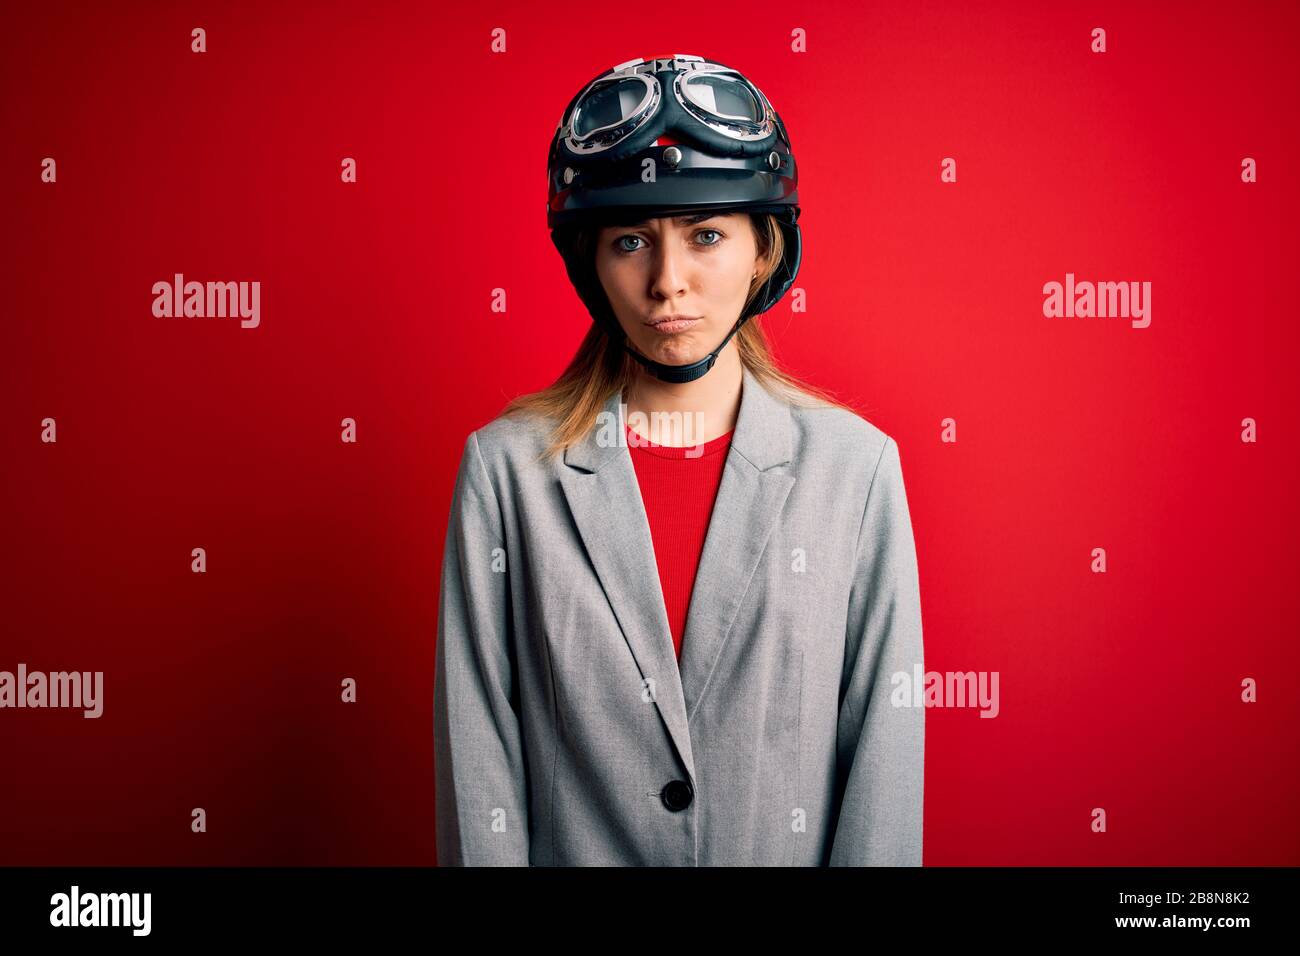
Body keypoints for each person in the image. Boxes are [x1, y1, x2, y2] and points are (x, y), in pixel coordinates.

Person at [434, 53, 924, 866]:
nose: (668, 283)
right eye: (631, 240)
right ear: (590, 264)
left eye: (705, 235)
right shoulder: (505, 473)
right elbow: (478, 761)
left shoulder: (857, 472)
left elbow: (883, 770)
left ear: (765, 251)